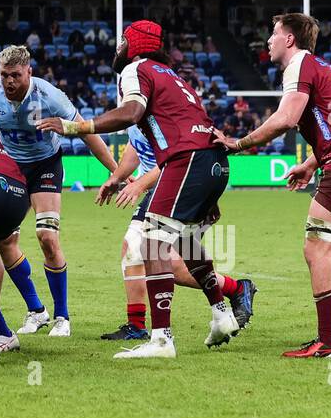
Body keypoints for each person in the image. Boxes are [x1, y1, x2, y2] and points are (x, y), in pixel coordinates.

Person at [38, 20, 238, 359]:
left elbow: (132, 113)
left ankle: (161, 339)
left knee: (152, 243)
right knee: (186, 241)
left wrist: (76, 126)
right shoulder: (171, 75)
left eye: (122, 42)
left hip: (187, 160)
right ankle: (221, 312)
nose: (118, 48)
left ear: (134, 45)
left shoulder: (136, 68)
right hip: (213, 162)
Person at [215, 13, 331, 357]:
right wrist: (310, 162)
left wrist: (238, 143)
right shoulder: (325, 69)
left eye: (274, 34)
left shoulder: (299, 67)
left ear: (290, 39)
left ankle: (328, 342)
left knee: (317, 249)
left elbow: (286, 119)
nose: (269, 41)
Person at [0, 45, 118, 337]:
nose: (9, 82)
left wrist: (116, 172)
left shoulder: (50, 96)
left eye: (16, 75)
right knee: (2, 242)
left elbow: (86, 132)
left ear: (29, 71)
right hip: (10, 168)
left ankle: (62, 317)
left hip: (45, 166)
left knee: (47, 237)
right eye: (4, 75)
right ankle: (36, 311)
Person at [98, 125, 256, 342]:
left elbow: (176, 159)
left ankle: (141, 327)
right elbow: (133, 154)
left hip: (175, 186)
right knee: (171, 265)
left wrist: (141, 184)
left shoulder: (163, 114)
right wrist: (116, 178)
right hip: (163, 188)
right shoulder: (138, 118)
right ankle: (236, 289)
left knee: (139, 249)